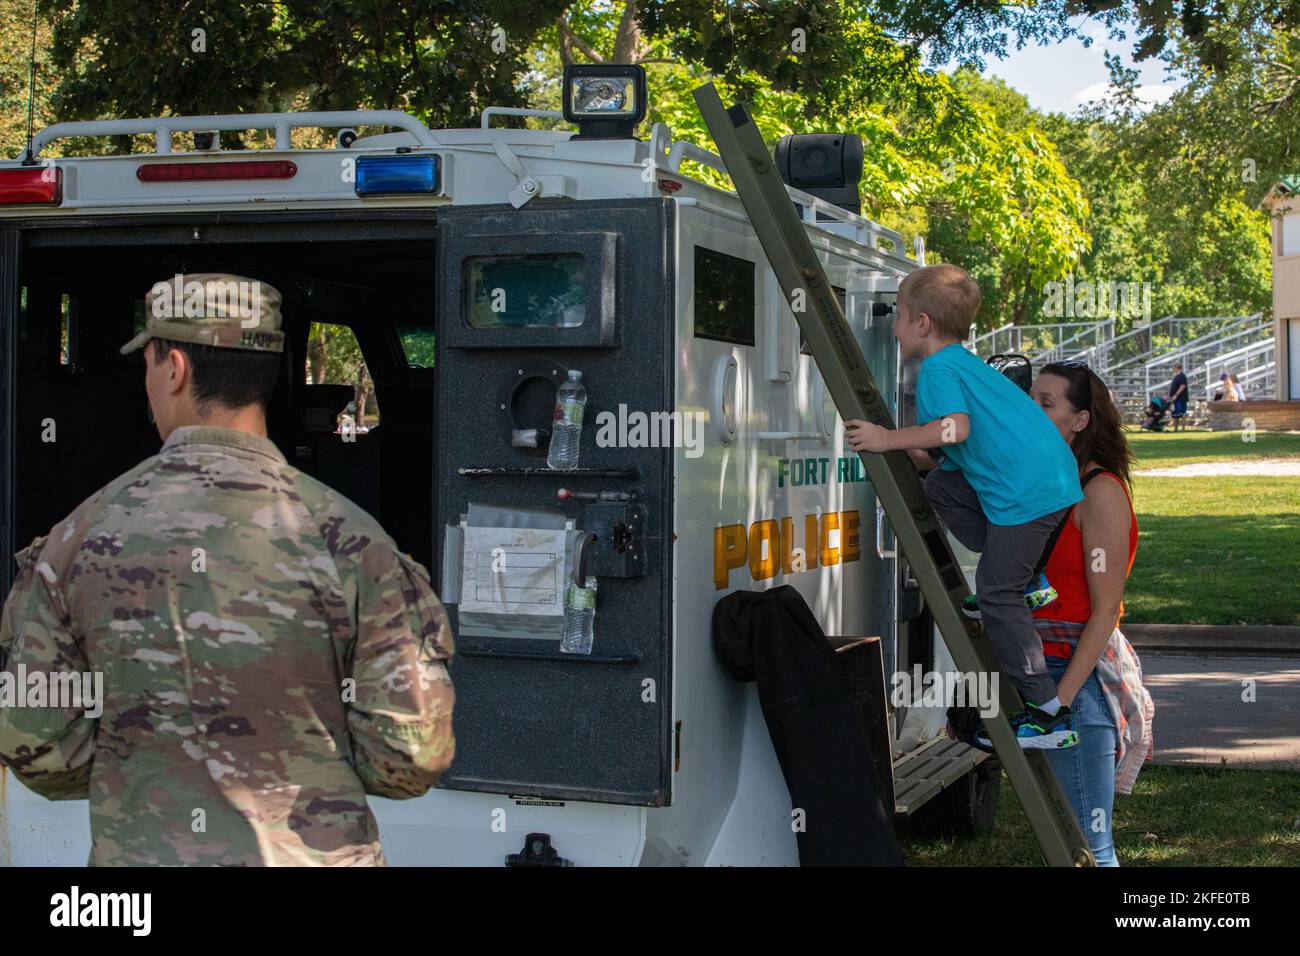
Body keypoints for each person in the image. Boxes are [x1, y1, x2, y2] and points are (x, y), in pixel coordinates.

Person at [0, 273, 455, 866]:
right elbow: (412, 753)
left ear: (174, 369)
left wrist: (141, 770)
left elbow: (33, 741)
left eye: (149, 362)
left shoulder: (74, 540)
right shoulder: (354, 541)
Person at [845, 264, 1083, 749]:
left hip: (1026, 495)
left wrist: (885, 437)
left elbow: (956, 429)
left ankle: (1048, 714)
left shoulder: (936, 370)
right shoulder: (965, 363)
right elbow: (947, 452)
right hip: (1045, 479)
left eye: (901, 317)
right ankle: (1029, 583)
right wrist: (909, 449)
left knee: (996, 598)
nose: (894, 328)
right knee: (945, 488)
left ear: (923, 324)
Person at [1025, 360, 1155, 866]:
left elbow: (1105, 611)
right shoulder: (1052, 479)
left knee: (1087, 848)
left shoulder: (1099, 492)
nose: (1032, 411)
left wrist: (1060, 698)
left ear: (1080, 420)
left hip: (1075, 685)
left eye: (1045, 403)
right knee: (1064, 842)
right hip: (1044, 672)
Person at [1165, 363, 1188, 431]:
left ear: (1177, 368)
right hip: (1174, 398)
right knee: (1175, 414)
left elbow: (1182, 386)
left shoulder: (1182, 376)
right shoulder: (1176, 376)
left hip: (1180, 398)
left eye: (1173, 368)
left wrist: (1176, 395)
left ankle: (1183, 429)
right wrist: (1169, 395)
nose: (1173, 369)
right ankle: (1175, 429)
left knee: (1182, 413)